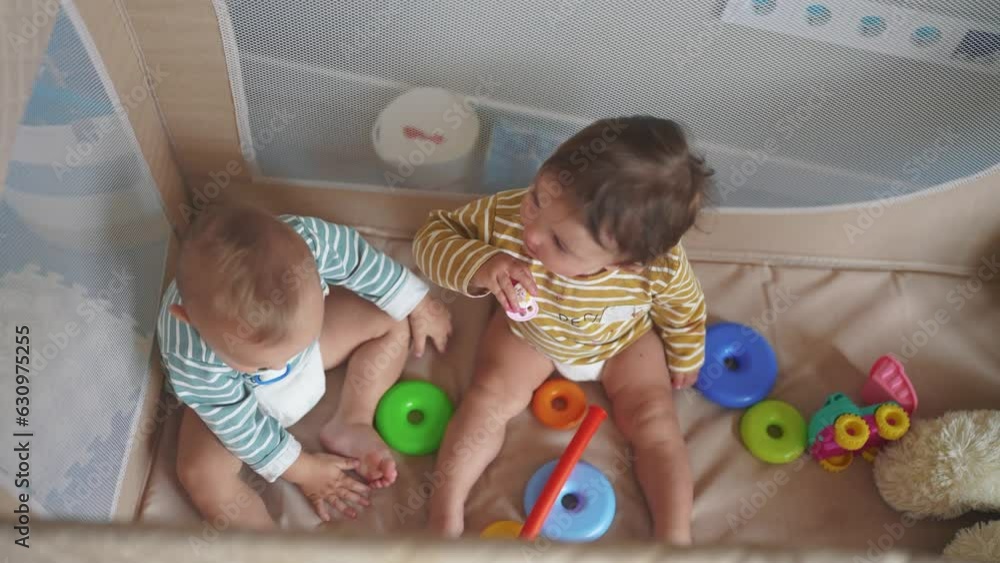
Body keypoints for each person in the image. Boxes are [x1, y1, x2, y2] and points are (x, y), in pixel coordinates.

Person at [412, 116, 711, 543]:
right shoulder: (504, 216)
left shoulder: (658, 268)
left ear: (624, 262)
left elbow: (684, 309)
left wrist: (686, 353)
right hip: (532, 332)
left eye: (562, 243)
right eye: (537, 199)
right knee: (488, 397)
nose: (531, 233)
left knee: (655, 421)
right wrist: (482, 264)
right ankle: (444, 517)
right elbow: (431, 239)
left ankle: (674, 539)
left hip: (623, 343)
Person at [157, 201, 451, 529]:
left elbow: (360, 262)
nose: (280, 365)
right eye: (261, 361)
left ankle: (354, 420)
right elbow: (242, 428)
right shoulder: (194, 358)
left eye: (289, 349)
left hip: (312, 352)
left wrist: (418, 301)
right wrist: (304, 470)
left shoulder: (310, 240)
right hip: (239, 399)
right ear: (190, 320)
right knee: (201, 474)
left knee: (392, 318)